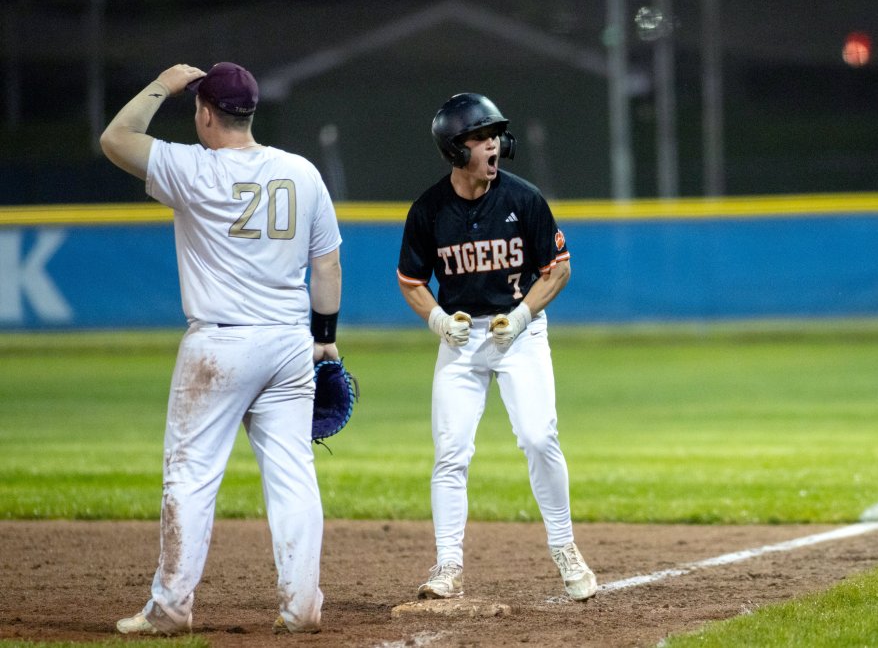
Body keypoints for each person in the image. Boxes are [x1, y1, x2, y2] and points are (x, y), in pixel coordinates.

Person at [99, 62, 342, 635]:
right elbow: (326, 264)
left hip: (220, 347)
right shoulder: (301, 171)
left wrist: (161, 83)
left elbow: (115, 139)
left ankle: (171, 608)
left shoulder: (192, 167)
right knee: (293, 476)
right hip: (289, 345)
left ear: (206, 113)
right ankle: (303, 605)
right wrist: (325, 342)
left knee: (190, 477)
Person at [396, 93, 597, 602]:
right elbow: (411, 280)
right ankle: (447, 565)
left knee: (537, 437)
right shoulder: (428, 210)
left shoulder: (523, 199)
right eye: (481, 137)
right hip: (461, 343)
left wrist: (525, 314)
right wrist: (439, 319)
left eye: (494, 136)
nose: (493, 145)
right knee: (450, 452)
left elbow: (560, 268)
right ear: (455, 150)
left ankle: (566, 549)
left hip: (520, 335)